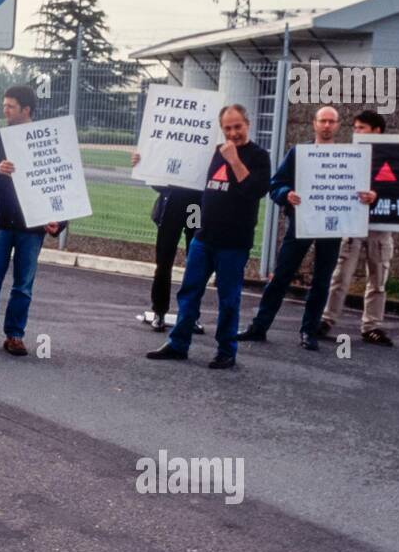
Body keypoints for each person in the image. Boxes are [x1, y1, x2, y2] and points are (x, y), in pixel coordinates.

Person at [235, 105, 375, 351]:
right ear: (314, 123)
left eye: (332, 122)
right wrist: (286, 194)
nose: (327, 126)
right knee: (281, 276)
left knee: (321, 281)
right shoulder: (298, 153)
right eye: (323, 121)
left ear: (338, 125)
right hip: (301, 224)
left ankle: (308, 331)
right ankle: (259, 326)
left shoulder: (350, 157)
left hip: (332, 227)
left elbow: (363, 191)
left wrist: (368, 197)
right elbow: (275, 184)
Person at [147, 104, 271, 368]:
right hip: (204, 237)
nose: (233, 132)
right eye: (227, 128)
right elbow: (183, 182)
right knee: (189, 292)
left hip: (234, 242)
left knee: (228, 299)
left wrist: (234, 160)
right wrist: (147, 167)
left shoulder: (259, 156)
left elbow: (254, 190)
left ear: (247, 123)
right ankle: (178, 343)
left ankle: (226, 350)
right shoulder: (213, 153)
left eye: (237, 126)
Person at [319, 109, 399, 346]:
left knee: (378, 279)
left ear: (376, 131)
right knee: (340, 276)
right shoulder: (351, 155)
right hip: (354, 224)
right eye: (355, 127)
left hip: (381, 227)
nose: (356, 132)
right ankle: (326, 320)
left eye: (361, 128)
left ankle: (372, 326)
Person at [0, 85, 62, 356]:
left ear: (27, 110)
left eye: (10, 106)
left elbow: (60, 182)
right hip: (2, 222)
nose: (5, 110)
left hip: (32, 227)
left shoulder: (48, 140)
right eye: (5, 105)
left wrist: (59, 222)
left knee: (23, 285)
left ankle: (14, 335)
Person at [131, 151, 204, 332]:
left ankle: (191, 314)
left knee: (194, 260)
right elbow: (157, 181)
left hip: (194, 206)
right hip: (171, 204)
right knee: (163, 261)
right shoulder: (170, 146)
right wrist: (144, 164)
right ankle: (159, 311)